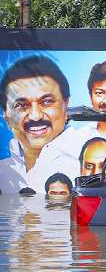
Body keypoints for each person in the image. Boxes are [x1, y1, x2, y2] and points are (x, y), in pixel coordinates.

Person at [0, 56, 80, 194]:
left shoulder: (91, 166)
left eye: (47, 101)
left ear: (66, 106)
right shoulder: (3, 172)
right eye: (21, 105)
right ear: (6, 115)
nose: (35, 116)